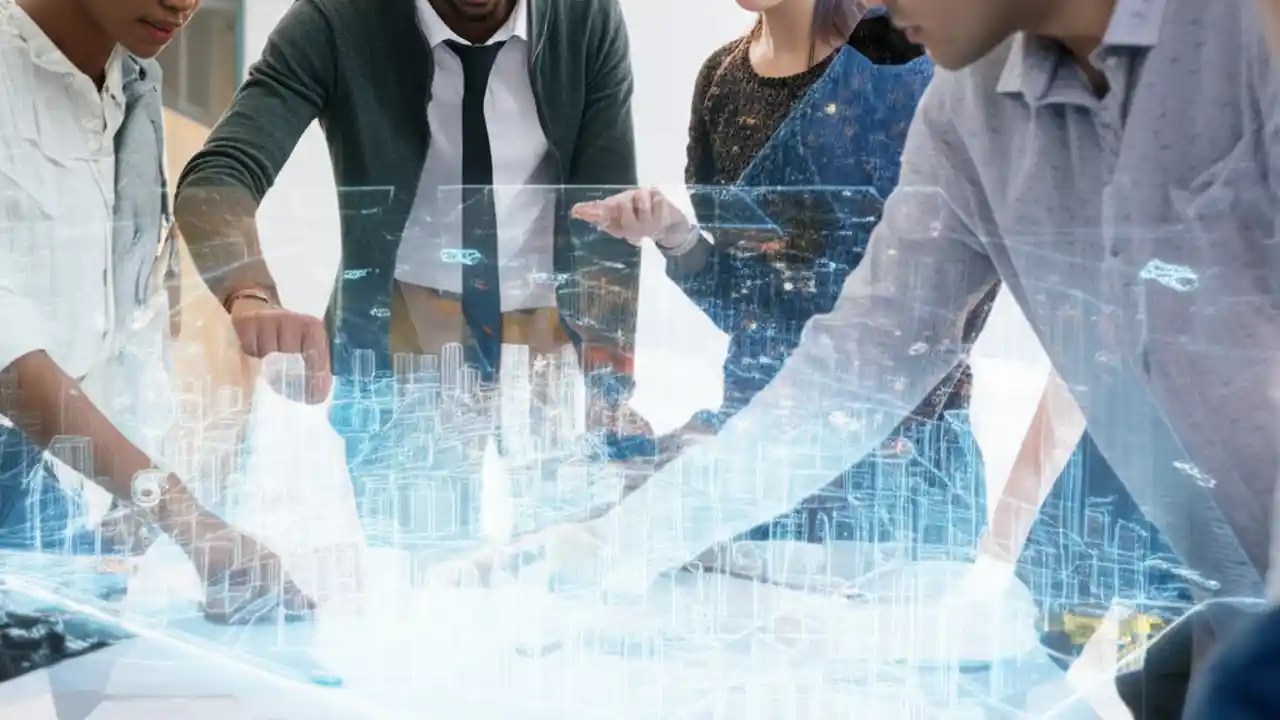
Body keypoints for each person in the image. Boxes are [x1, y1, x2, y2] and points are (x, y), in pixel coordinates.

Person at [538, 0, 1280, 714]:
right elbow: (861, 362)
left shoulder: (1250, 38)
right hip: (1226, 614)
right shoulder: (967, 110)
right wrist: (619, 543)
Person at [174, 0, 647, 540]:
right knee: (419, 570)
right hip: (405, 334)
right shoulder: (336, 18)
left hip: (546, 332)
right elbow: (220, 173)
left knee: (558, 565)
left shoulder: (585, 17)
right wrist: (249, 291)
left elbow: (610, 213)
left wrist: (611, 387)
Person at [573, 0, 1000, 553]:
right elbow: (749, 308)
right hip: (759, 453)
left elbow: (955, 295)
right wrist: (674, 234)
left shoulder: (908, 68)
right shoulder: (721, 83)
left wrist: (843, 438)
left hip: (894, 474)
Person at [0, 0, 309, 623]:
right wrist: (181, 515)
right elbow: (9, 356)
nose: (185, 5)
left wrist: (134, 504)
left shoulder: (133, 87)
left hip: (68, 492)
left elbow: (126, 317)